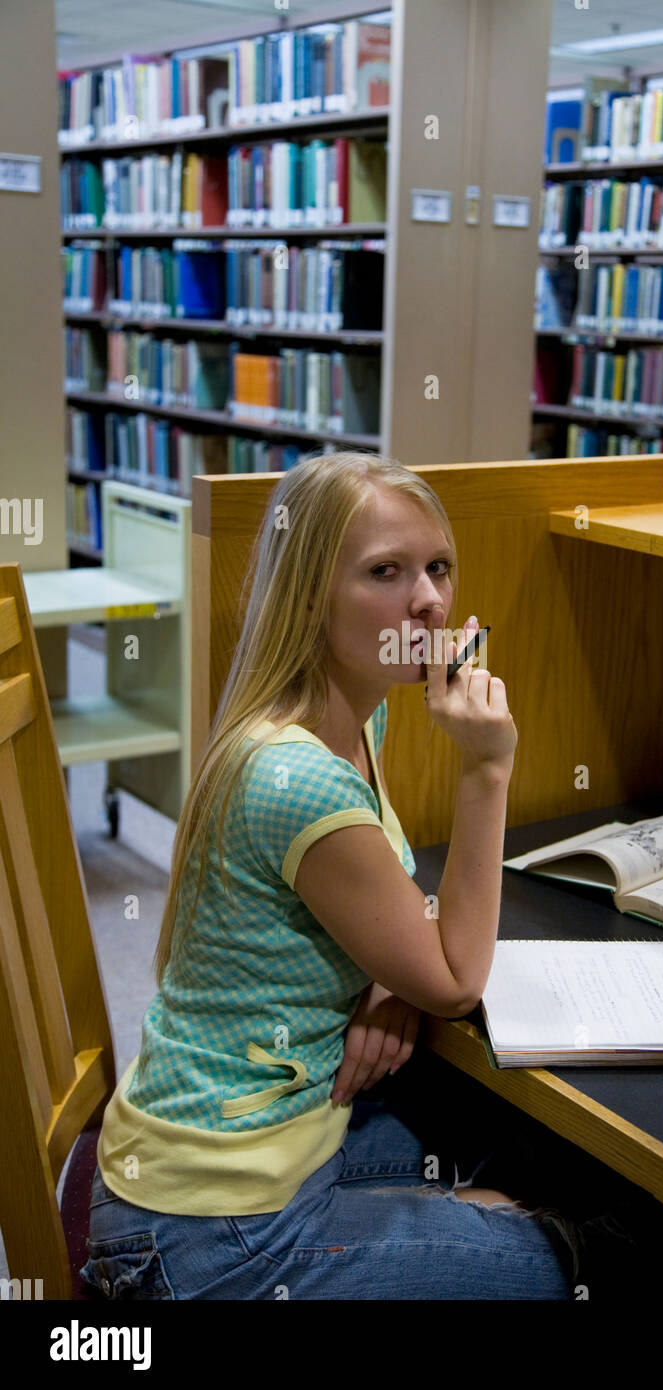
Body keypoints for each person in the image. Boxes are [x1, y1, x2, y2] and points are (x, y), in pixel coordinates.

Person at [80, 450, 599, 1300]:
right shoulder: (300, 775)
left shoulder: (354, 717)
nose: (429, 600)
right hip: (213, 1235)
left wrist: (385, 977)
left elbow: (383, 918)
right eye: (386, 572)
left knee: (523, 1155)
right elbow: (459, 979)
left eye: (438, 567)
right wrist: (486, 770)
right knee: (570, 1258)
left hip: (242, 1157)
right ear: (308, 597)